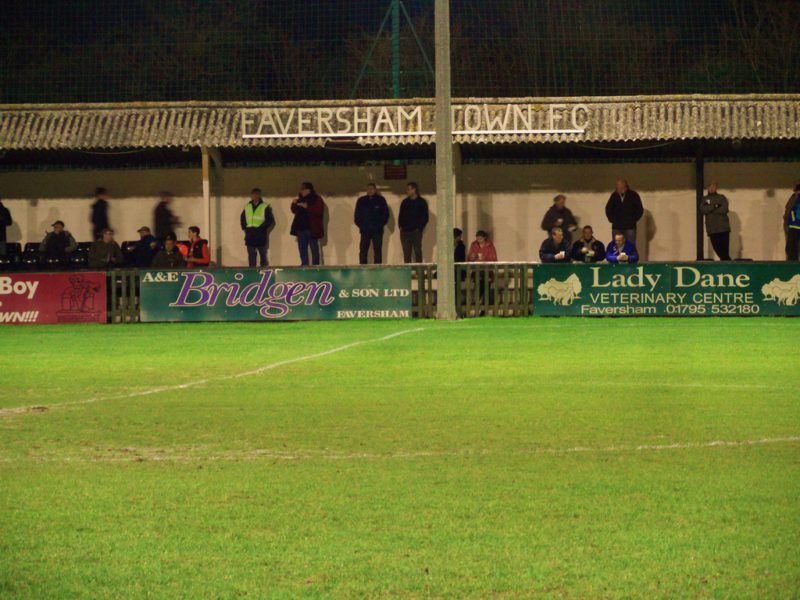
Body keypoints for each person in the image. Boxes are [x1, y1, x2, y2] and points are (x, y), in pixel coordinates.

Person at [290, 182, 326, 266]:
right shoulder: (300, 199)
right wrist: (294, 203)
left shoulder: (316, 199)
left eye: (303, 189)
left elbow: (319, 211)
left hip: (312, 228)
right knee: (302, 249)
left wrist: (308, 207)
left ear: (308, 190)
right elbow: (294, 210)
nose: (301, 191)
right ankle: (304, 264)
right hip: (301, 228)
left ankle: (316, 266)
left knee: (314, 248)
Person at [354, 183, 389, 264]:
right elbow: (357, 216)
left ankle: (378, 269)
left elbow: (385, 215)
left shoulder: (381, 200)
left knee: (377, 251)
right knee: (363, 251)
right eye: (368, 189)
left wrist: (379, 225)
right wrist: (362, 226)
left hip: (377, 231)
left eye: (372, 189)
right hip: (365, 230)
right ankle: (363, 268)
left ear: (375, 190)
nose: (370, 190)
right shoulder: (361, 201)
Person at [240, 188, 275, 267]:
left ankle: (263, 270)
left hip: (260, 234)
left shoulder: (265, 206)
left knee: (263, 254)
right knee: (251, 255)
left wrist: (262, 228)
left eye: (256, 194)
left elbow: (270, 220)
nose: (255, 196)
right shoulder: (247, 206)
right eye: (253, 194)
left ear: (259, 195)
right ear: (251, 195)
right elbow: (242, 218)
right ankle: (252, 271)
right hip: (250, 234)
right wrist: (245, 228)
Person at [398, 182, 429, 263]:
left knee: (417, 252)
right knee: (406, 254)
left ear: (414, 189)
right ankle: (407, 273)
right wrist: (400, 226)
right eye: (407, 189)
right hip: (404, 231)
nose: (407, 191)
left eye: (409, 189)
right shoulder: (405, 202)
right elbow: (401, 215)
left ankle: (419, 273)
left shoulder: (421, 202)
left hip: (416, 231)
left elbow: (425, 217)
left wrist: (419, 228)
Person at [605, 179, 643, 244]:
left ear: (624, 185)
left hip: (630, 227)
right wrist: (612, 219)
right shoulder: (614, 195)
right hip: (617, 227)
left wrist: (633, 220)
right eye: (617, 185)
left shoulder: (633, 195)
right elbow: (608, 208)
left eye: (618, 185)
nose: (617, 187)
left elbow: (639, 209)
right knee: (617, 247)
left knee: (630, 247)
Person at [700, 182, 732, 261]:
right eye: (709, 186)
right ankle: (729, 263)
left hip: (723, 228)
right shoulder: (705, 199)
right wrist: (715, 206)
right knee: (718, 249)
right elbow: (703, 210)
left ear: (716, 187)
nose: (711, 188)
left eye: (713, 186)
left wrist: (710, 209)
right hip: (712, 229)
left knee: (725, 250)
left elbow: (724, 210)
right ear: (707, 188)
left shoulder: (721, 197)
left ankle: (727, 264)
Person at [783, 182, 800, 261]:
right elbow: (788, 212)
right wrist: (786, 226)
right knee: (791, 249)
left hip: (794, 226)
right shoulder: (793, 198)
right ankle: (792, 267)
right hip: (793, 227)